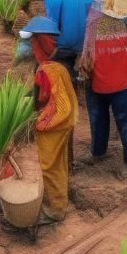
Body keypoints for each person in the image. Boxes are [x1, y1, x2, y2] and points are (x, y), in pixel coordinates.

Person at [79, 0, 127, 178]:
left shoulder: (92, 28)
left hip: (99, 84)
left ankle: (98, 153)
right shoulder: (124, 27)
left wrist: (83, 77)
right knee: (125, 123)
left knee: (98, 120)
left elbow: (86, 59)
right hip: (124, 83)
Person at [33, 59, 78, 222]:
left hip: (57, 127)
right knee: (59, 163)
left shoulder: (47, 72)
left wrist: (43, 124)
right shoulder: (54, 66)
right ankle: (59, 203)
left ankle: (56, 210)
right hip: (64, 124)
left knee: (49, 166)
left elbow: (63, 109)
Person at [44, 0, 95, 81]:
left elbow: (51, 19)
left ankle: (67, 79)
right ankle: (78, 76)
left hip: (62, 42)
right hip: (84, 40)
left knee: (63, 65)